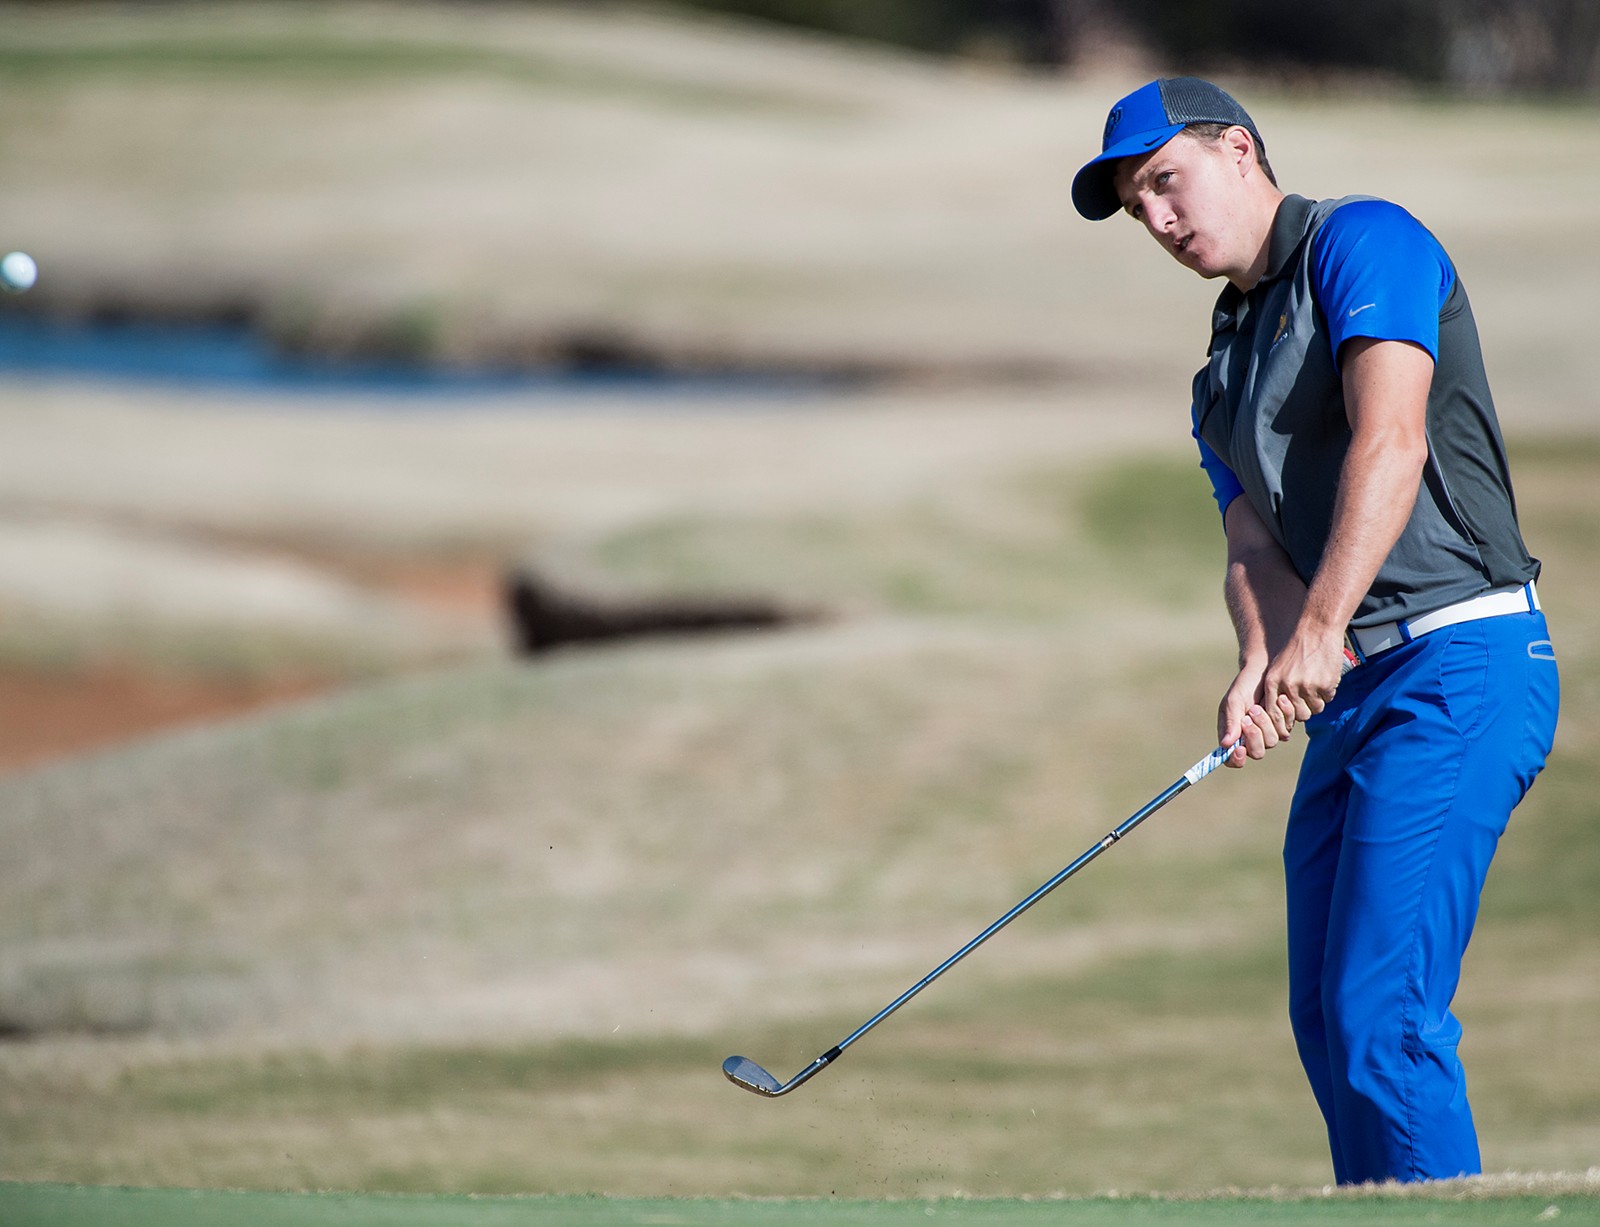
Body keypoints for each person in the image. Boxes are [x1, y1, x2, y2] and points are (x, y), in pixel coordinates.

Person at [1070, 77, 1560, 1185]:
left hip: (1461, 662)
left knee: (1382, 1013)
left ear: (1237, 149)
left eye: (1164, 182)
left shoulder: (1363, 241)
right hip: (1356, 694)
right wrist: (1263, 655)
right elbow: (1253, 550)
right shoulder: (1216, 375)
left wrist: (1320, 628)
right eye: (1135, 205)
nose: (1156, 219)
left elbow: (1392, 445)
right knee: (1328, 1024)